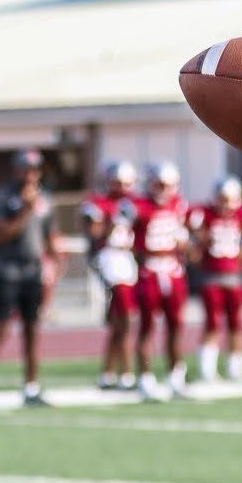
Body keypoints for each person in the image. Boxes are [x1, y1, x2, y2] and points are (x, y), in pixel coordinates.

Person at [0, 149, 59, 406]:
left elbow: (49, 235)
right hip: (7, 270)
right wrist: (26, 211)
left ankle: (31, 387)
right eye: (25, 169)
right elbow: (2, 234)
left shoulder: (46, 199)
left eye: (34, 169)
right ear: (17, 170)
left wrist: (55, 263)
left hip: (33, 271)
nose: (30, 174)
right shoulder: (2, 197)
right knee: (0, 329)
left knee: (32, 330)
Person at [188, 175, 242, 382]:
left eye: (229, 199)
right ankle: (207, 370)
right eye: (222, 198)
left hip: (234, 277)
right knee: (212, 323)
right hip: (211, 276)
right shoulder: (204, 214)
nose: (225, 204)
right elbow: (187, 236)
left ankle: (235, 370)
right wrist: (196, 253)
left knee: (236, 324)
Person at [125, 160, 190, 401]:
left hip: (172, 269)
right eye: (159, 184)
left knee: (176, 326)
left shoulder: (178, 205)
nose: (164, 190)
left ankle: (176, 377)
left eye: (168, 185)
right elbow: (121, 236)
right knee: (147, 327)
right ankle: (146, 379)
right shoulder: (137, 206)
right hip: (149, 270)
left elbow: (184, 237)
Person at [80, 160, 140, 391]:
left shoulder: (135, 202)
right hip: (109, 258)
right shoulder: (97, 203)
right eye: (118, 182)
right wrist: (114, 220)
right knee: (123, 318)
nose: (122, 188)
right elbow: (94, 233)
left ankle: (108, 373)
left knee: (120, 322)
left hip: (129, 259)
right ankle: (126, 373)